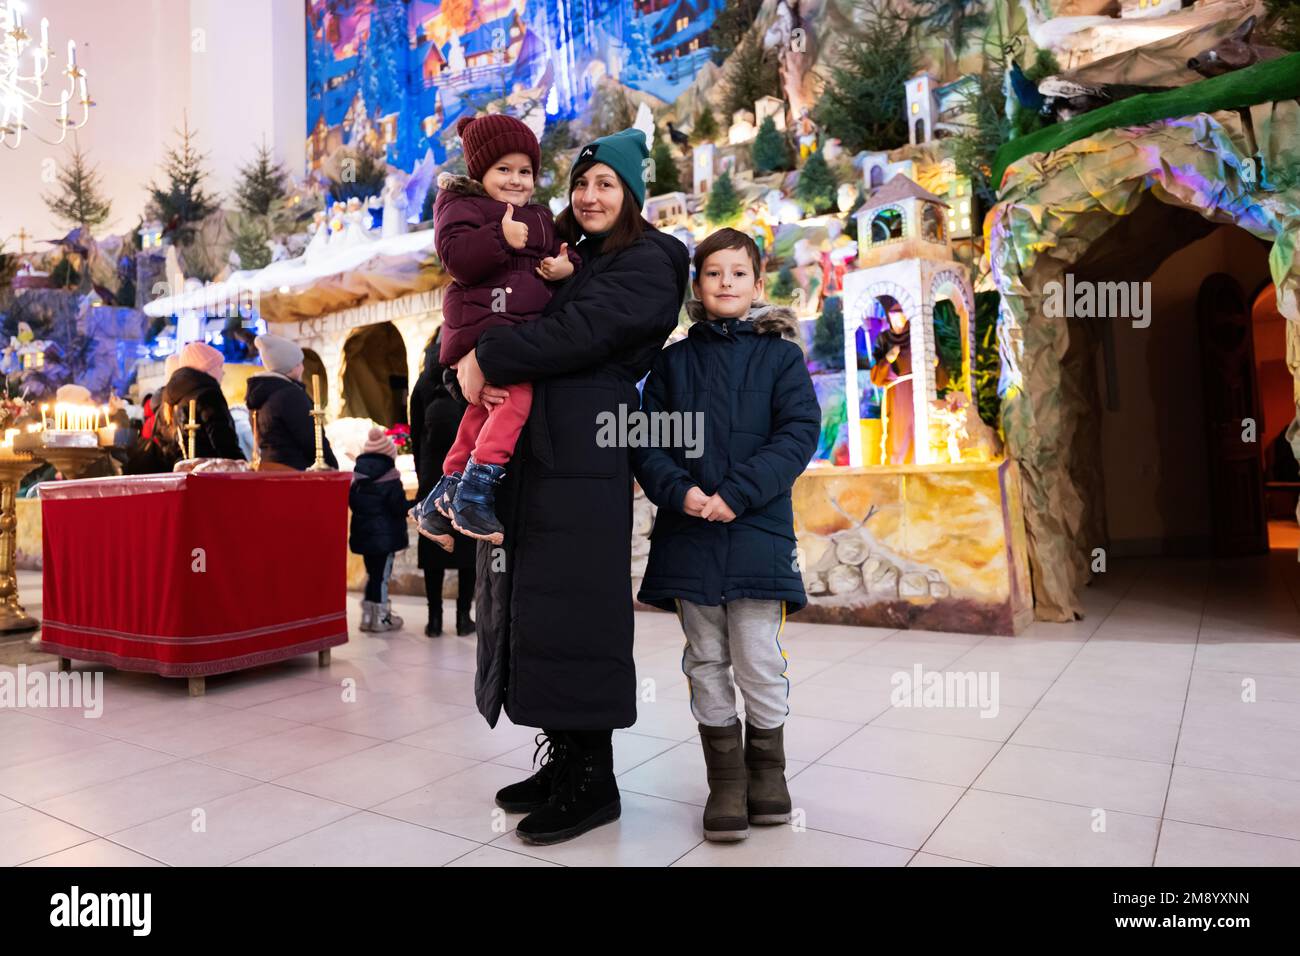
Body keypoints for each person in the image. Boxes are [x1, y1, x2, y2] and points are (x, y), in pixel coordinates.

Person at [454, 127, 689, 845]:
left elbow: (578, 334)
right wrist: (467, 362)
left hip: (589, 443)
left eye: (606, 184)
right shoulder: (565, 257)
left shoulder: (653, 259)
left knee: (580, 606)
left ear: (632, 195)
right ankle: (563, 757)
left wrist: (484, 354)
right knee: (537, 603)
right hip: (537, 445)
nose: (589, 195)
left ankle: (596, 779)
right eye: (582, 183)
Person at [633, 227, 820, 842]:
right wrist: (680, 492)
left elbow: (796, 435)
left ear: (757, 284)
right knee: (705, 658)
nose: (726, 284)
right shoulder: (673, 362)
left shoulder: (781, 358)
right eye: (714, 273)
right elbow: (648, 440)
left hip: (758, 528)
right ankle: (727, 781)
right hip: (689, 532)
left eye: (738, 273)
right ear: (698, 284)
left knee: (759, 657)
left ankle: (769, 773)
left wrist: (735, 495)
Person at [413, 112, 578, 547]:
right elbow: (459, 260)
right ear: (480, 171)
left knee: (484, 409)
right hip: (484, 325)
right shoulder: (460, 207)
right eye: (503, 169)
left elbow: (558, 249)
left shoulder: (539, 216)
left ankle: (443, 493)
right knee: (515, 398)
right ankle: (477, 486)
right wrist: (500, 238)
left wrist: (566, 266)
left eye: (525, 171)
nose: (515, 180)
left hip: (512, 331)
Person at [409, 331, 476, 637]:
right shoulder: (467, 374)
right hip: (464, 475)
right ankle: (464, 618)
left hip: (431, 477)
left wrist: (423, 473)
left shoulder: (422, 384)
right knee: (467, 545)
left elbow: (415, 435)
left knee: (433, 545)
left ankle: (433, 620)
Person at [245, 332, 338, 471]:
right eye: (300, 363)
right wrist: (331, 466)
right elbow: (310, 438)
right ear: (291, 366)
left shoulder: (260, 394)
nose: (303, 367)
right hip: (295, 472)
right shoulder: (290, 395)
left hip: (269, 468)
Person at [348, 426, 409, 633]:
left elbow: (353, 503)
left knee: (372, 575)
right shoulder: (390, 477)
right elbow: (398, 507)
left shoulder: (358, 477)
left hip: (364, 536)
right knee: (381, 577)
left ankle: (367, 618)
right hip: (385, 538)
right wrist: (415, 504)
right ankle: (381, 619)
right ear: (388, 454)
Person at [160, 342, 245, 460]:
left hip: (185, 470)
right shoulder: (208, 395)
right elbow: (223, 441)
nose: (223, 372)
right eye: (219, 366)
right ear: (208, 368)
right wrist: (240, 464)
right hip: (211, 472)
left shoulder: (172, 399)